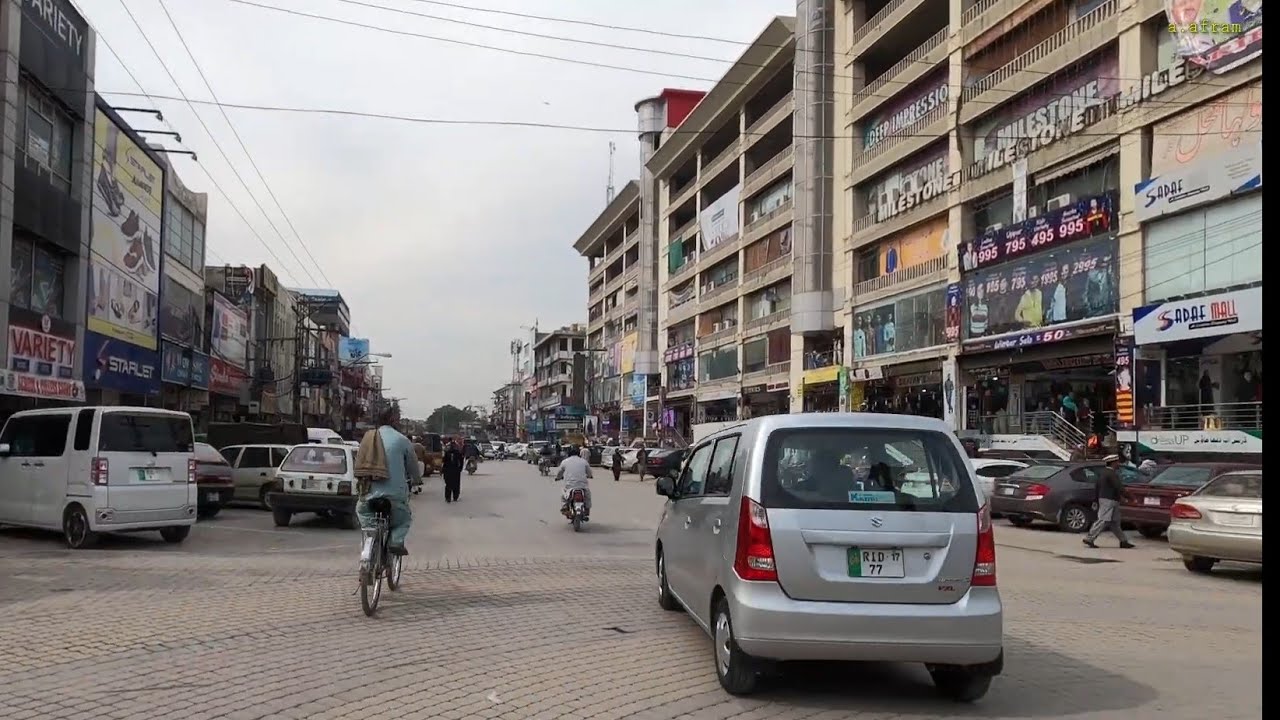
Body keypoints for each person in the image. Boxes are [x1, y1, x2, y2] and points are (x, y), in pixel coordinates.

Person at [354, 405, 421, 556]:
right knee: (403, 520)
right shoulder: (402, 440)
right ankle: (395, 542)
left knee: (363, 514)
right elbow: (413, 468)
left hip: (369, 495)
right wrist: (416, 480)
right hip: (395, 498)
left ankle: (371, 540)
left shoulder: (367, 438)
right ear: (394, 420)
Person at [1083, 454, 1135, 549]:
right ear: (1113, 463)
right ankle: (1089, 538)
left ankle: (1123, 541)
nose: (1118, 464)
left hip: (1106, 499)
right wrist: (1130, 498)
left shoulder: (1103, 473)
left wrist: (1096, 500)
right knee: (1103, 519)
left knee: (1114, 522)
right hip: (1109, 500)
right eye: (1117, 462)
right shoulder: (1111, 474)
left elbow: (1097, 487)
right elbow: (1119, 487)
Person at [556, 447, 593, 520]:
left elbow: (560, 472)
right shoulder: (584, 461)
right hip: (582, 486)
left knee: (563, 496)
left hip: (569, 486)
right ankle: (587, 509)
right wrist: (590, 476)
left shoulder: (565, 461)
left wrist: (558, 478)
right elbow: (589, 473)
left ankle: (565, 508)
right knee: (587, 495)